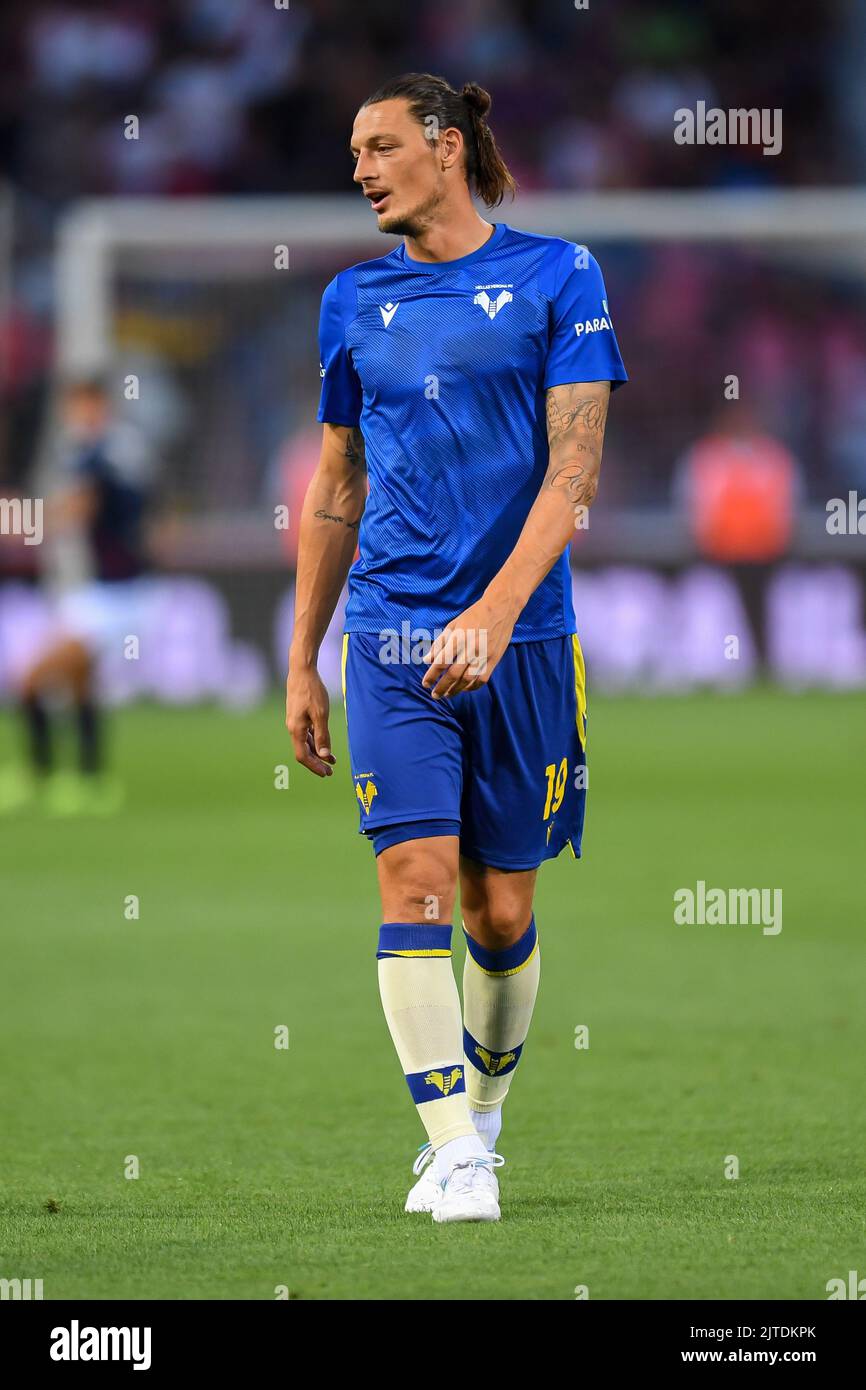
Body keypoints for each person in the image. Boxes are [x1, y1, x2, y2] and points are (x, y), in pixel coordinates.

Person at [285, 73, 626, 1223]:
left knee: (499, 911)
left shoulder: (557, 277)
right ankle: (454, 1150)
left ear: (445, 146)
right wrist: (301, 655)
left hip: (522, 638)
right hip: (387, 635)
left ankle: (479, 1116)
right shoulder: (348, 301)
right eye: (352, 152)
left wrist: (492, 610)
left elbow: (572, 471)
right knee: (414, 883)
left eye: (379, 145)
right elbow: (335, 483)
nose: (361, 169)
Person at [0, 377, 156, 816]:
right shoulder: (124, 450)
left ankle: (38, 774)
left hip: (115, 597)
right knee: (80, 685)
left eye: (82, 406)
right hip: (115, 590)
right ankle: (92, 781)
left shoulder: (97, 454)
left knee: (31, 680)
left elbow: (77, 510)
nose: (77, 416)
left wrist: (21, 522)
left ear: (98, 406)